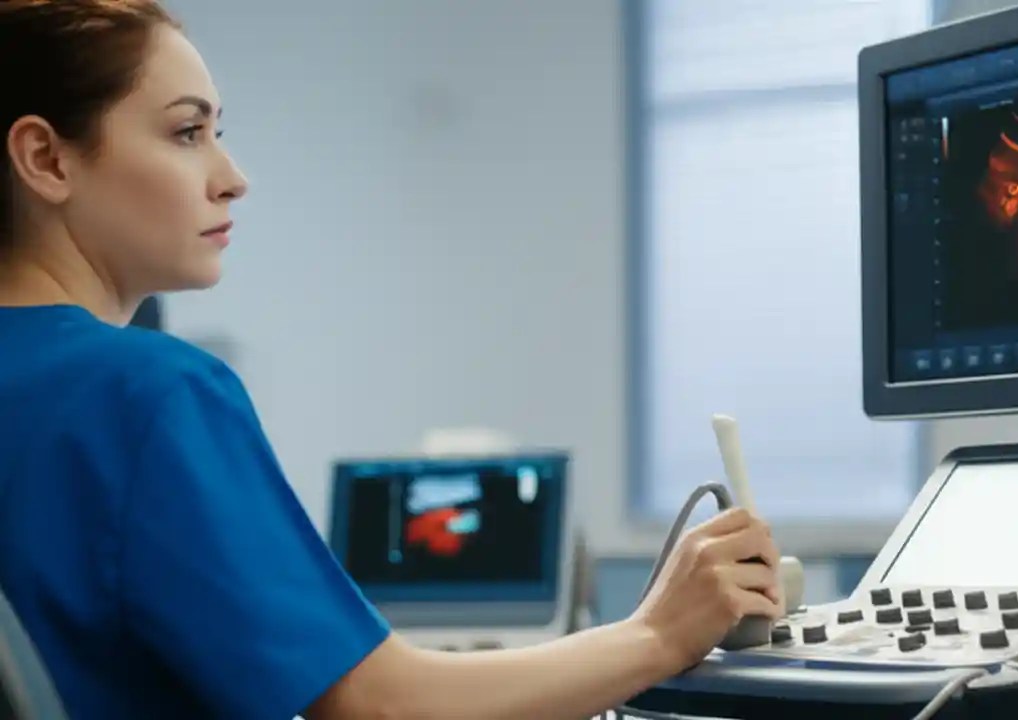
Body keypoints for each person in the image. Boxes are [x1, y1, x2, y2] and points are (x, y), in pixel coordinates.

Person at [0, 2, 783, 718]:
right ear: (47, 159)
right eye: (185, 132)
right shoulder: (146, 393)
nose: (232, 179)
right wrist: (657, 635)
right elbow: (379, 707)